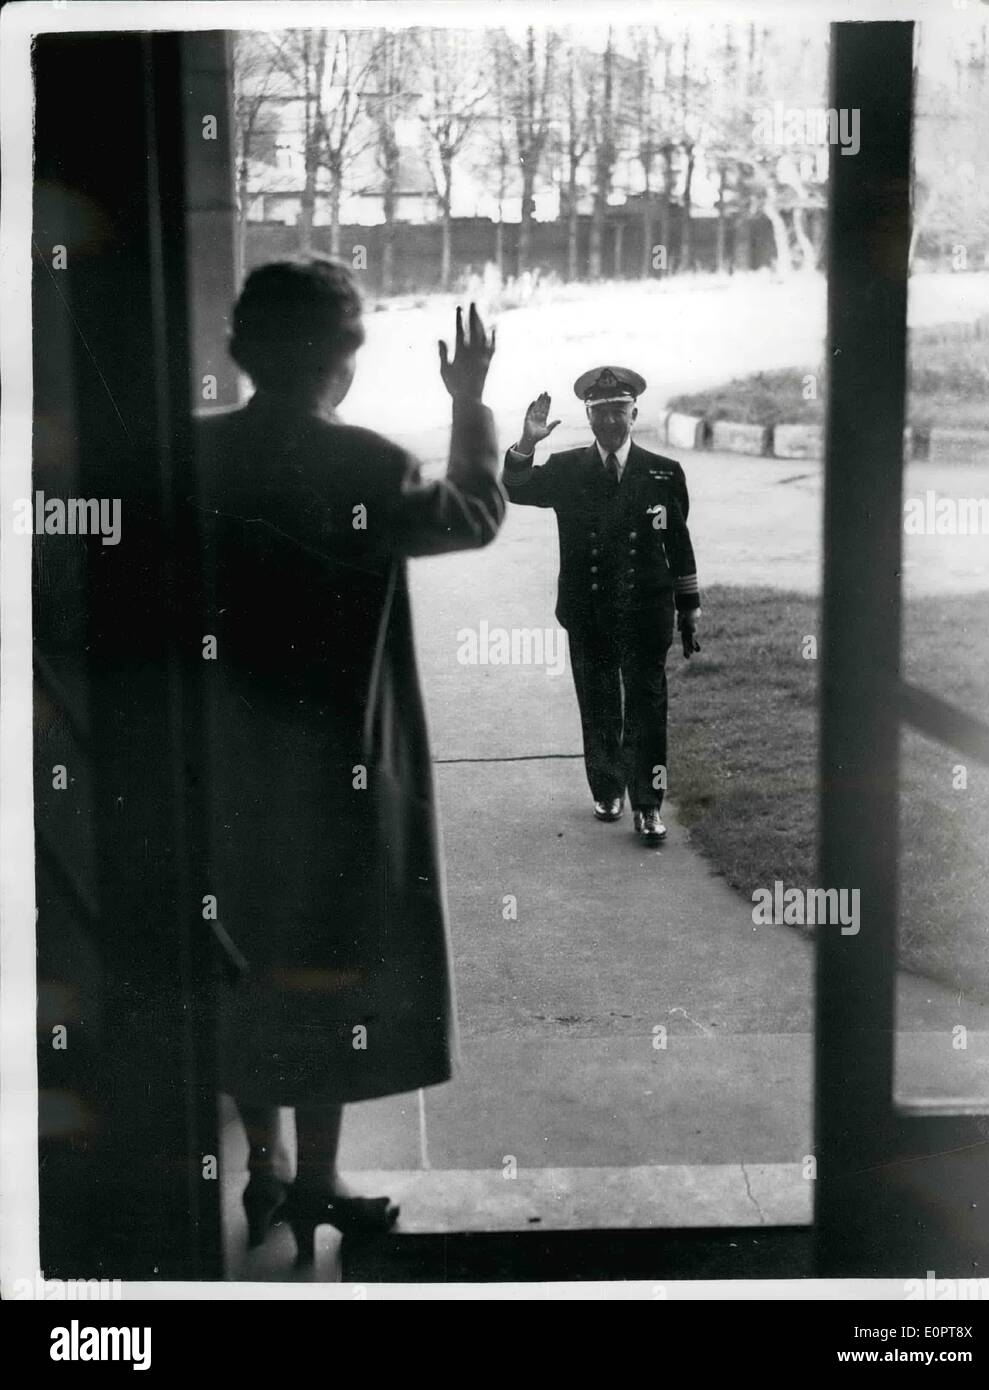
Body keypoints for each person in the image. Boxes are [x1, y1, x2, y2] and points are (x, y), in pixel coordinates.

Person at [192, 258, 503, 1263]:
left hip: (226, 756)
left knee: (249, 949)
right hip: (337, 760)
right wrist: (470, 405)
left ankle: (262, 1168)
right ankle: (318, 1181)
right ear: (344, 355)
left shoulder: (193, 458)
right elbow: (474, 515)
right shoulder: (364, 464)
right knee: (327, 957)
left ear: (242, 347)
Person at [501, 367, 701, 843]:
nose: (610, 422)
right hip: (588, 611)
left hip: (647, 612)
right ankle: (607, 788)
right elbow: (515, 489)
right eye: (600, 413)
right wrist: (526, 443)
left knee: (648, 708)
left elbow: (679, 541)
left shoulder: (662, 472)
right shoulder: (568, 470)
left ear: (635, 414)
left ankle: (648, 806)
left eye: (619, 411)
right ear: (588, 418)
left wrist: (688, 606)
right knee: (599, 703)